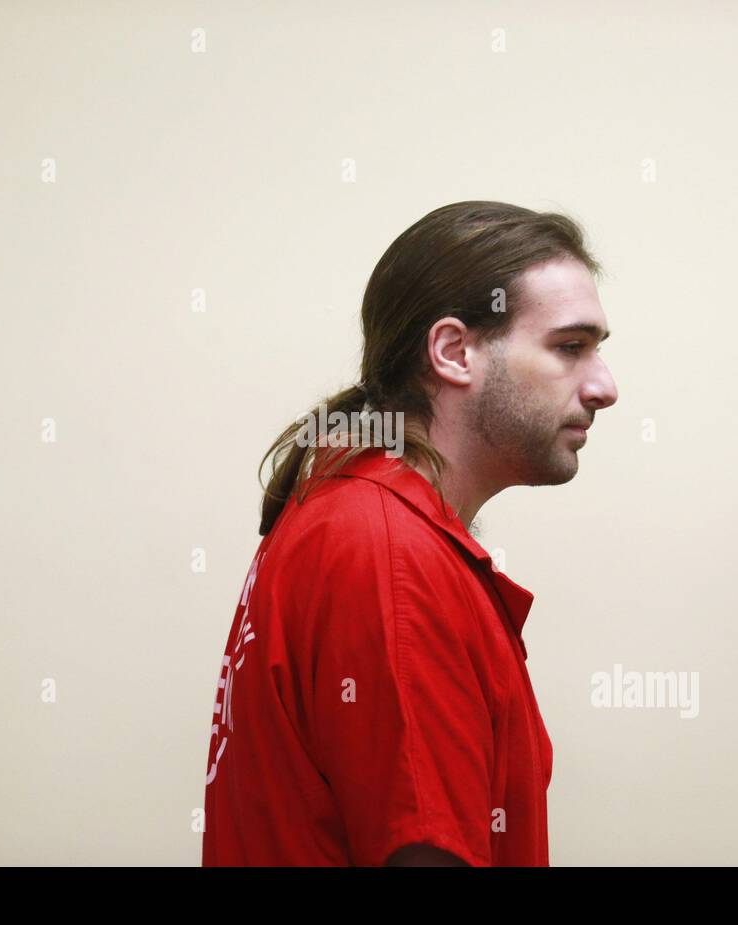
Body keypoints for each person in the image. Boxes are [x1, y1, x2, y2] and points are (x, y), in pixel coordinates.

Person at [201, 200, 619, 866]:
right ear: (455, 353)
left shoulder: (352, 514)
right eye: (570, 347)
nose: (604, 386)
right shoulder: (392, 558)